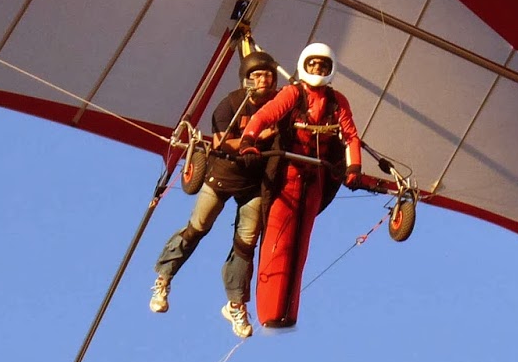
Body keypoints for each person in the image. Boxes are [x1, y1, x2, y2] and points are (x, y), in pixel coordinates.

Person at [149, 49, 283, 338]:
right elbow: (221, 143)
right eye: (257, 76)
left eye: (268, 76)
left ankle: (235, 303)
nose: (263, 81)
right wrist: (255, 139)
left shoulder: (281, 107)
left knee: (246, 244)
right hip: (222, 177)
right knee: (198, 227)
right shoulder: (232, 104)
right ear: (246, 80)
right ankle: (163, 277)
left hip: (253, 184)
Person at [237, 42, 363, 329]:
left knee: (300, 245)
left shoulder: (337, 101)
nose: (318, 70)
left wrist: (354, 167)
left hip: (315, 177)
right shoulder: (293, 93)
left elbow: (351, 136)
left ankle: (287, 314)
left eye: (323, 66)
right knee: (278, 241)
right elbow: (264, 116)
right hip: (288, 173)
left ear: (330, 70)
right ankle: (268, 311)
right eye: (313, 65)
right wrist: (248, 140)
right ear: (304, 66)